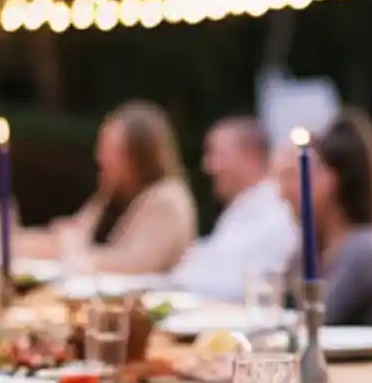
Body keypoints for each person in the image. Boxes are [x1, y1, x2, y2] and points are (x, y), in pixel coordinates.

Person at [275, 110, 372, 325]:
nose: (286, 193)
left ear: (331, 180)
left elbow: (315, 322)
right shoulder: (315, 246)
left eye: (302, 176)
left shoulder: (365, 248)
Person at [56, 101, 197, 273]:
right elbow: (70, 233)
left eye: (113, 150)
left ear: (141, 155)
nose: (101, 158)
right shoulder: (112, 194)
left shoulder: (166, 200)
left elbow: (137, 264)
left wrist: (78, 254)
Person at [169, 116, 298, 301]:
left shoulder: (277, 215)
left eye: (217, 154)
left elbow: (246, 288)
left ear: (251, 158)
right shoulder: (239, 210)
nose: (208, 166)